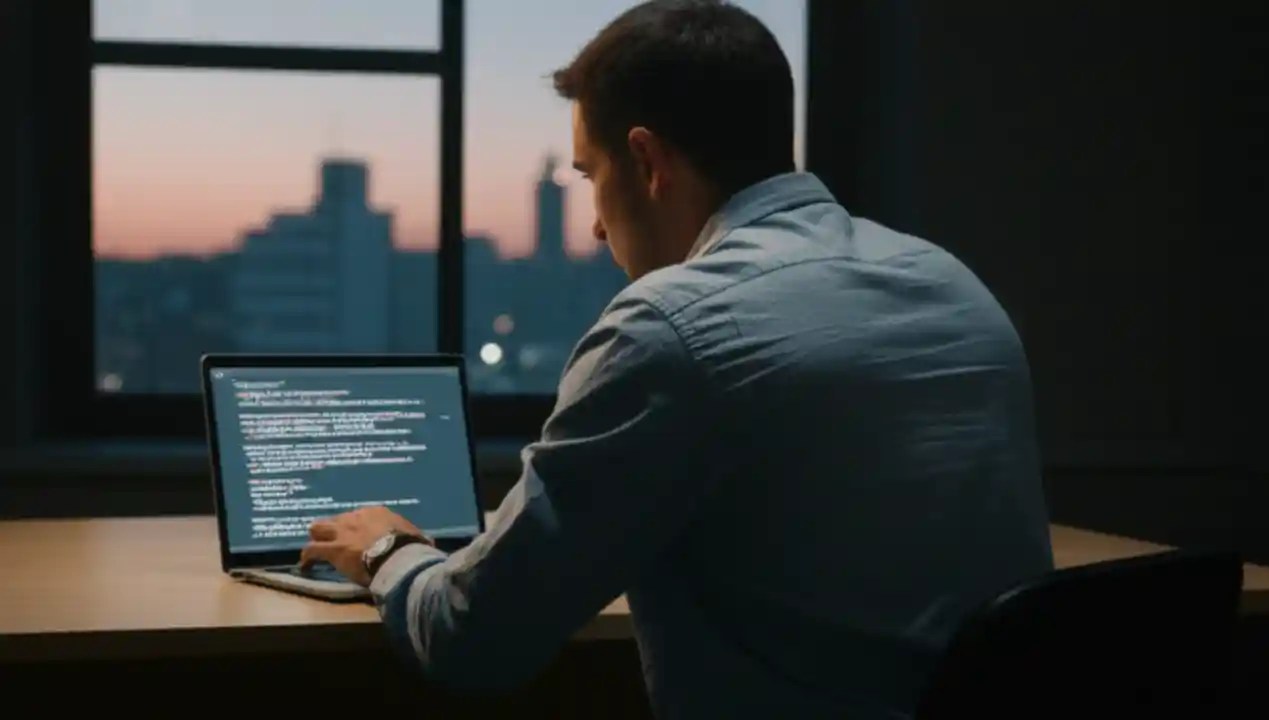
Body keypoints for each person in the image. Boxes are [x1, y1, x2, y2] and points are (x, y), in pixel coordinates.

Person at [300, 0, 1053, 716]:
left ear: (647, 160)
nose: (595, 226)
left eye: (590, 177)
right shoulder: (951, 283)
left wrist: (389, 551)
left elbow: (473, 640)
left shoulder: (670, 327)